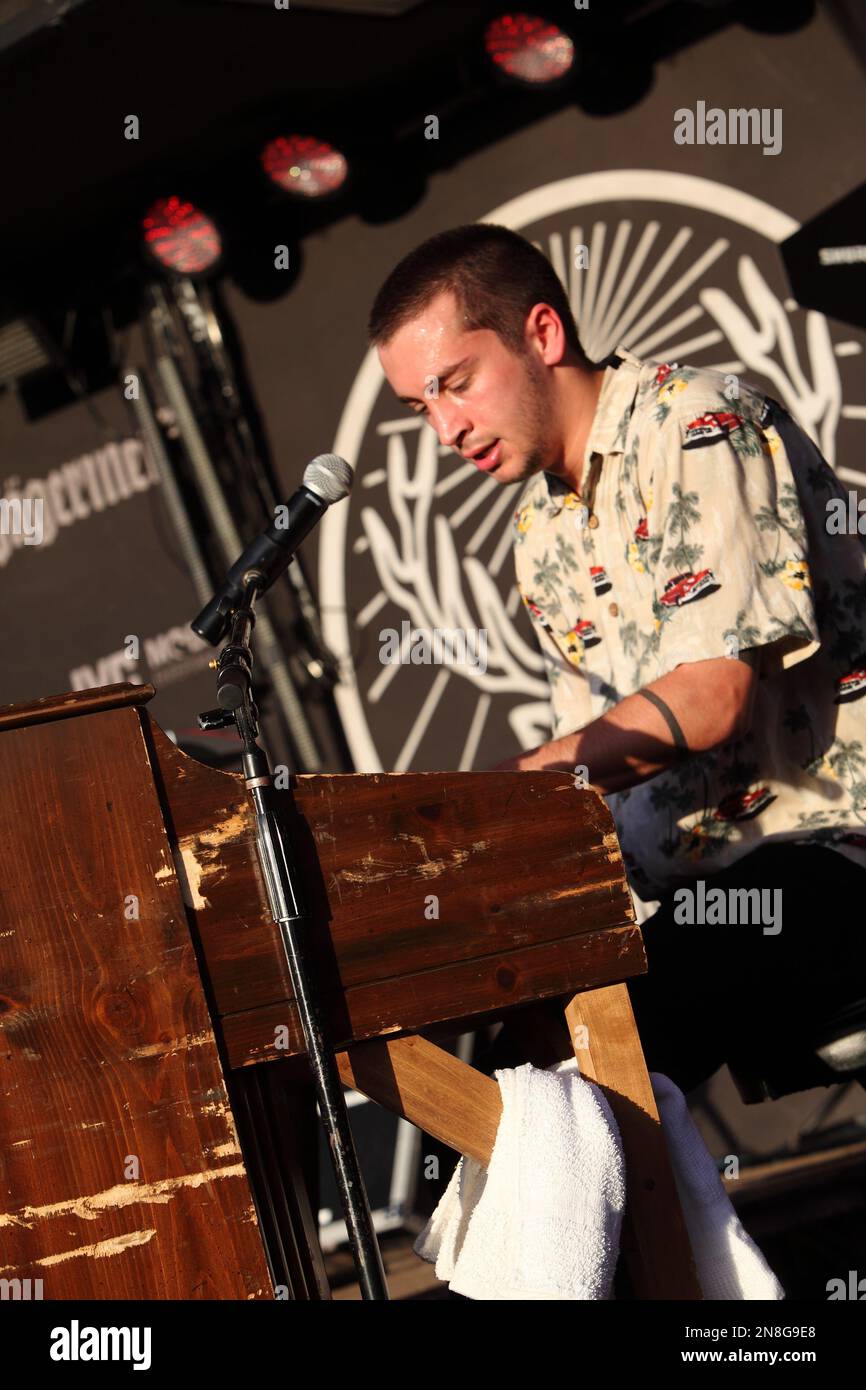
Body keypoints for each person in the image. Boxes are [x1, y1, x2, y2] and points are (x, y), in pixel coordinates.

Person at [368, 222, 866, 1092]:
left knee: (601, 1058)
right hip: (713, 892)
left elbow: (712, 696)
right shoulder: (541, 532)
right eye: (421, 407)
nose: (445, 428)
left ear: (544, 335)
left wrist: (501, 789)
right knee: (514, 1075)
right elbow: (588, 775)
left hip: (832, 852)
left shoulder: (695, 423)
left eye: (455, 384)